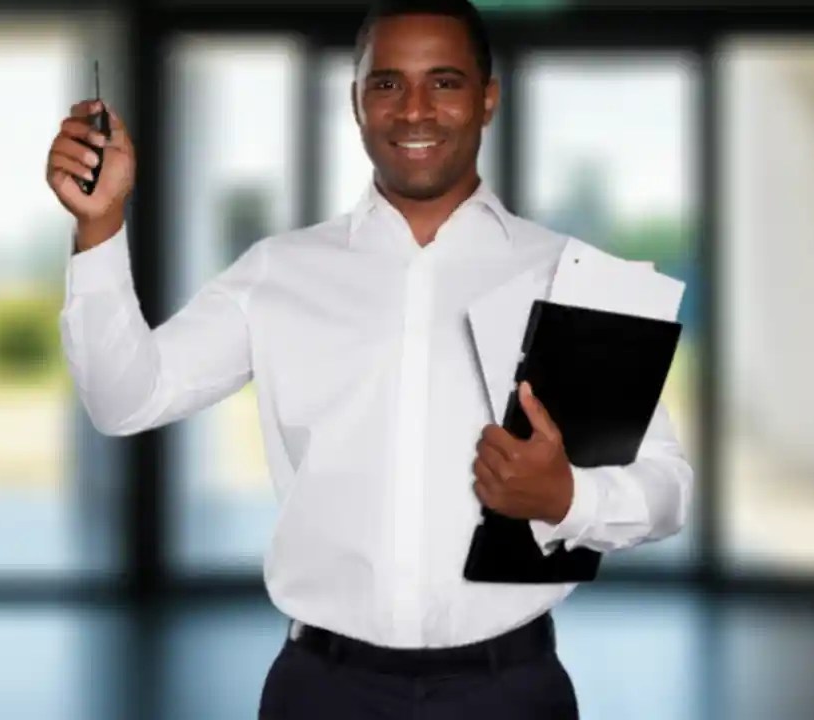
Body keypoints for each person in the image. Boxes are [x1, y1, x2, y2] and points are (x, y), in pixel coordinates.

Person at [45, 0, 693, 717]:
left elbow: (667, 488)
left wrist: (567, 498)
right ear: (356, 103)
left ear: (487, 98)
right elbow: (126, 399)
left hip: (512, 693)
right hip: (321, 691)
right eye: (386, 84)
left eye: (444, 82)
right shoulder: (279, 272)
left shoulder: (570, 277)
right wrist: (100, 225)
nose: (414, 110)